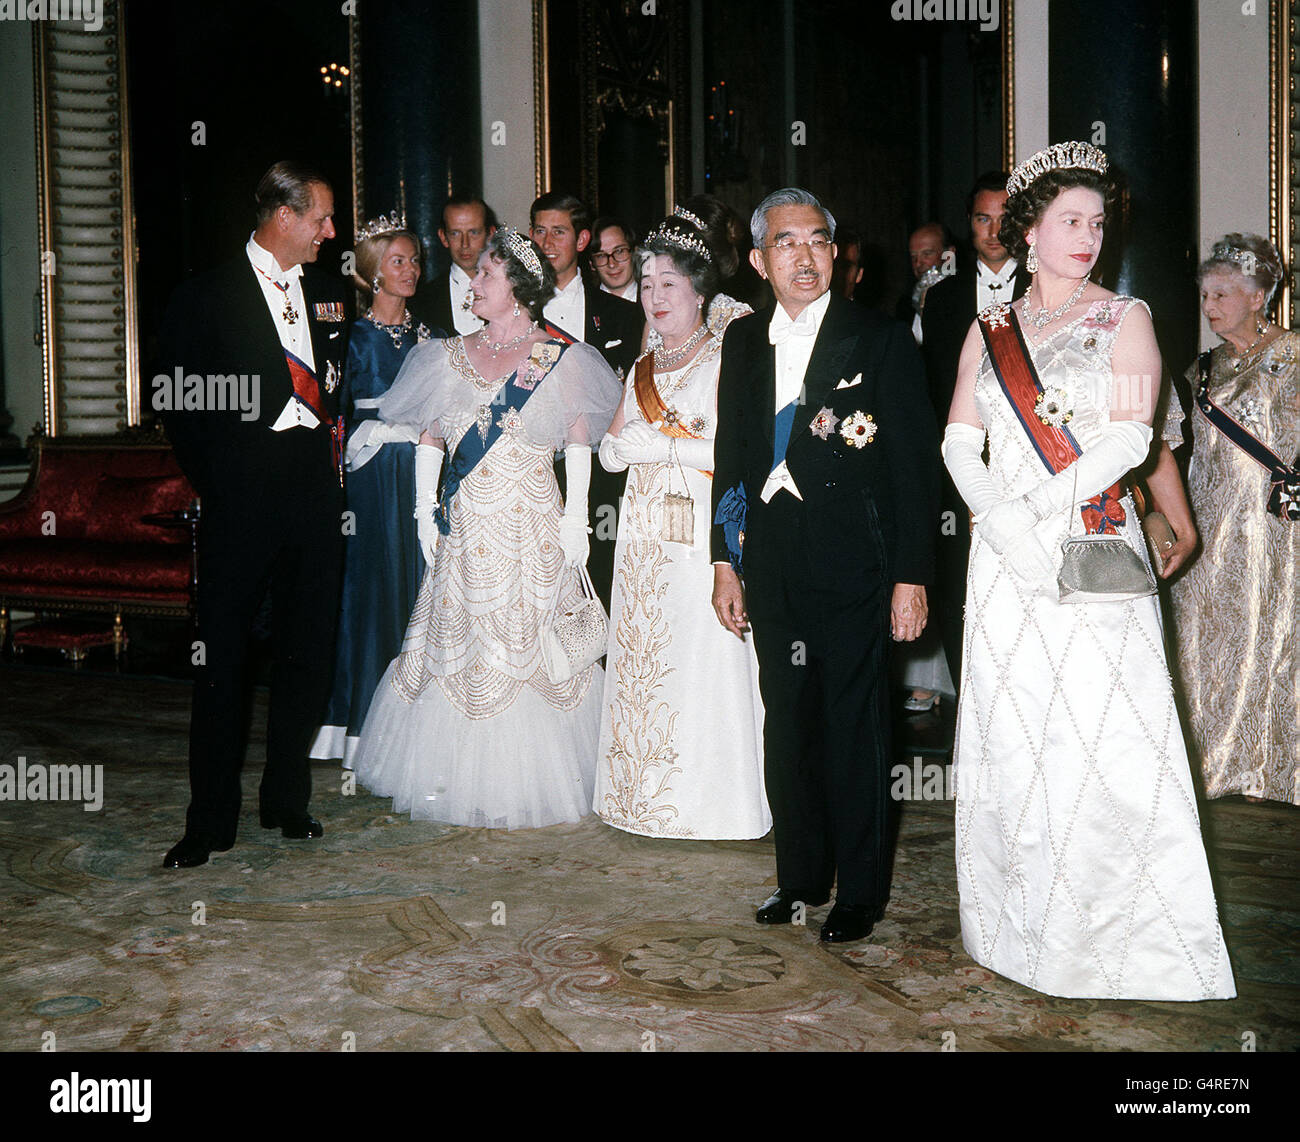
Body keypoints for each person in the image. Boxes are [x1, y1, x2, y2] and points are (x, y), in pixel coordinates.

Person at [942, 142, 1235, 999]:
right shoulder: (988, 329)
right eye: (1070, 220)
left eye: (1098, 223)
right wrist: (998, 520)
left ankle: (1119, 941)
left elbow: (1129, 439)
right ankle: (1020, 929)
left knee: (1100, 737)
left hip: (1089, 542)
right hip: (1004, 561)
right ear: (1026, 231)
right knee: (1017, 733)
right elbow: (960, 441)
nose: (1088, 237)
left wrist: (1030, 510)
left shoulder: (1125, 316)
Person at [710, 188, 939, 943]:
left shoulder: (877, 339)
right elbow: (733, 459)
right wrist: (725, 559)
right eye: (785, 243)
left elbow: (913, 467)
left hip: (854, 561)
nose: (802, 256)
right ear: (757, 260)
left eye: (816, 241)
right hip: (771, 561)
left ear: (836, 254)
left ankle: (861, 892)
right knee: (790, 723)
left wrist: (913, 574)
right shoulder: (743, 342)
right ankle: (801, 877)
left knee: (855, 722)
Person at [349, 228, 622, 828]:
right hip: (468, 527)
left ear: (518, 292)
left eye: (486, 277)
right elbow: (432, 436)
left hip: (533, 524)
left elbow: (579, 441)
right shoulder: (446, 353)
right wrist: (424, 511)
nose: (472, 283)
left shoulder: (560, 357)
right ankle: (450, 775)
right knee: (459, 641)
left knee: (533, 642)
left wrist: (578, 520)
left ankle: (535, 778)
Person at [157, 161, 348, 867]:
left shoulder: (329, 293)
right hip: (240, 495)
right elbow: (177, 401)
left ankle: (286, 798)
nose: (332, 232)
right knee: (224, 660)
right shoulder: (203, 297)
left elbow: (336, 389)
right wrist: (222, 482)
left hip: (313, 493)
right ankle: (209, 820)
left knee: (307, 649)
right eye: (322, 219)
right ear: (283, 217)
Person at [595, 215, 768, 839]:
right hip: (642, 534)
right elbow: (609, 452)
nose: (655, 297)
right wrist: (637, 446)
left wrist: (661, 448)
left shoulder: (727, 356)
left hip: (702, 526)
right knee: (647, 651)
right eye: (646, 285)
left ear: (700, 293)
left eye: (669, 284)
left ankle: (711, 804)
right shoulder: (643, 363)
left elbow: (737, 452)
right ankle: (641, 796)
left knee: (702, 654)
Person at [1170, 233, 1298, 805]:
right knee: (1205, 636)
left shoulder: (1294, 354)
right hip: (1210, 520)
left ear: (1258, 296)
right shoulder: (1201, 371)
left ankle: (1273, 767)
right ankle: (1212, 765)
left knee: (1271, 636)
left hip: (1275, 526)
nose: (1210, 306)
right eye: (1205, 296)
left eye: (1223, 294)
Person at [310, 214, 440, 767]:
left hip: (423, 469)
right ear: (373, 274)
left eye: (413, 260)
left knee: (421, 586)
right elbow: (331, 414)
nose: (409, 270)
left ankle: (419, 724)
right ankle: (362, 726)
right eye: (397, 261)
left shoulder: (431, 336)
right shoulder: (352, 336)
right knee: (374, 587)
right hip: (371, 471)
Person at [923, 173, 1031, 700]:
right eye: (982, 218)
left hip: (1029, 464)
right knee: (958, 588)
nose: (994, 231)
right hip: (957, 467)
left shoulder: (1044, 290)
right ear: (968, 224)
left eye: (1004, 218)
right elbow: (933, 388)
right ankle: (971, 712)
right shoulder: (941, 299)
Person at [530, 192, 645, 613]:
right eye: (538, 231)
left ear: (581, 241)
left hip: (601, 476)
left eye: (558, 232)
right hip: (533, 471)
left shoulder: (624, 315)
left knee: (600, 591)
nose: (546, 243)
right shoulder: (513, 310)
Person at [410, 194, 496, 336]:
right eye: (455, 233)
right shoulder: (421, 301)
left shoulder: (514, 295)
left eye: (474, 232)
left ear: (490, 234)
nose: (465, 244)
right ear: (443, 237)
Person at [590, 216, 639, 302]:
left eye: (619, 251)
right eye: (601, 256)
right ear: (592, 264)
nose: (612, 264)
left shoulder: (655, 299)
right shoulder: (583, 306)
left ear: (635, 253)